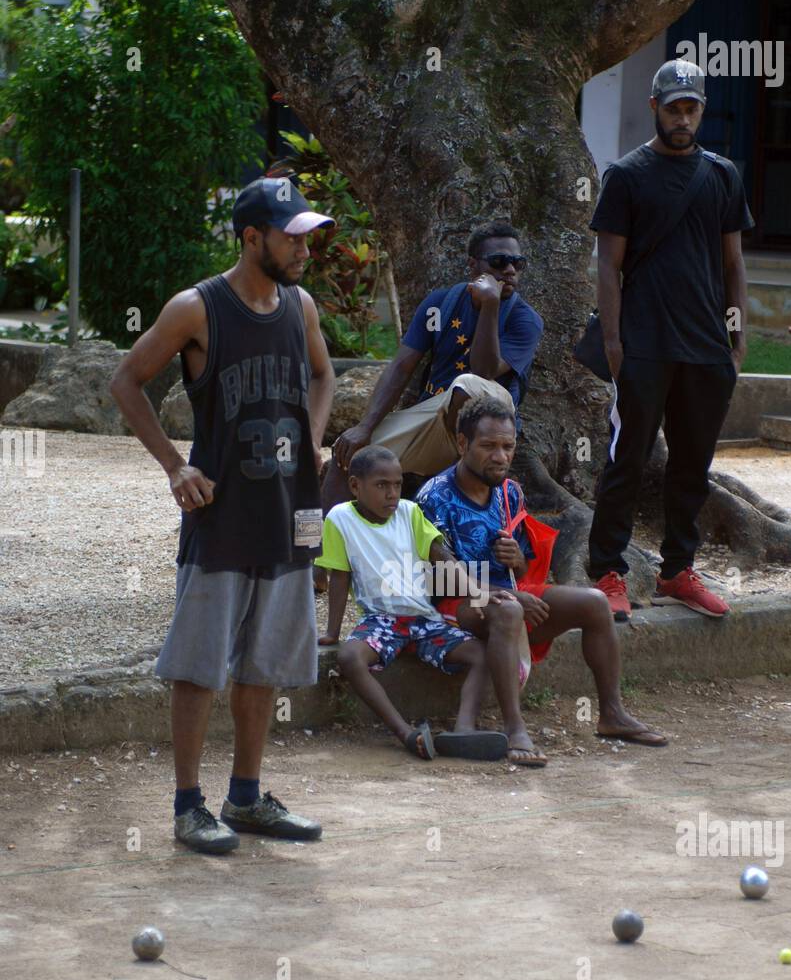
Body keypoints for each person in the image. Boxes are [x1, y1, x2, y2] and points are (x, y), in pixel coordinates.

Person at [110, 176, 336, 854]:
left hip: (289, 514)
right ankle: (187, 806)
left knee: (265, 663)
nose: (303, 248)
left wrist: (316, 439)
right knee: (200, 665)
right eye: (291, 236)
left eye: (306, 236)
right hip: (221, 517)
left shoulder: (301, 309)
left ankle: (246, 796)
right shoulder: (197, 309)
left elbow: (323, 377)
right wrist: (175, 465)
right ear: (250, 237)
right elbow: (127, 379)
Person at [587, 59, 754, 621]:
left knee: (692, 465)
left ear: (702, 110)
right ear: (654, 107)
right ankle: (607, 571)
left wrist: (735, 340)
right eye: (673, 107)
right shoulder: (628, 175)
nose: (683, 118)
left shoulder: (723, 175)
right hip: (644, 343)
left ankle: (677, 571)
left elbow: (734, 263)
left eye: (692, 108)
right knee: (627, 460)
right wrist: (613, 341)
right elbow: (608, 266)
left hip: (707, 347)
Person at [416, 395, 667, 766]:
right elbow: (438, 578)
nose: (500, 456)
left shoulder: (509, 492)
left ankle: (611, 714)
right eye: (488, 446)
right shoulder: (434, 497)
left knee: (595, 603)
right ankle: (514, 727)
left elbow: (521, 569)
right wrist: (508, 594)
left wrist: (516, 561)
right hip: (456, 607)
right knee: (507, 609)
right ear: (462, 443)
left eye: (507, 446)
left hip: (506, 599)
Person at [321, 222, 543, 512]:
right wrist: (365, 427)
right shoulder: (440, 304)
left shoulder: (525, 320)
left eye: (517, 263)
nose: (510, 270)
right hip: (435, 413)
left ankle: (462, 469)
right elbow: (401, 367)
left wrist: (490, 306)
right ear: (473, 265)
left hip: (488, 420)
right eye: (499, 262)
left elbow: (484, 371)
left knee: (467, 383)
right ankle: (319, 547)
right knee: (348, 451)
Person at [316, 445, 508, 762]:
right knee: (350, 657)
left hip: (423, 619)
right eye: (381, 485)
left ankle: (463, 729)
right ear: (355, 486)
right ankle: (405, 733)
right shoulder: (340, 519)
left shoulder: (409, 512)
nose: (392, 494)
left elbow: (442, 558)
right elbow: (339, 577)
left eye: (397, 484)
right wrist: (332, 633)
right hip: (382, 621)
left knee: (480, 654)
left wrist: (476, 591)